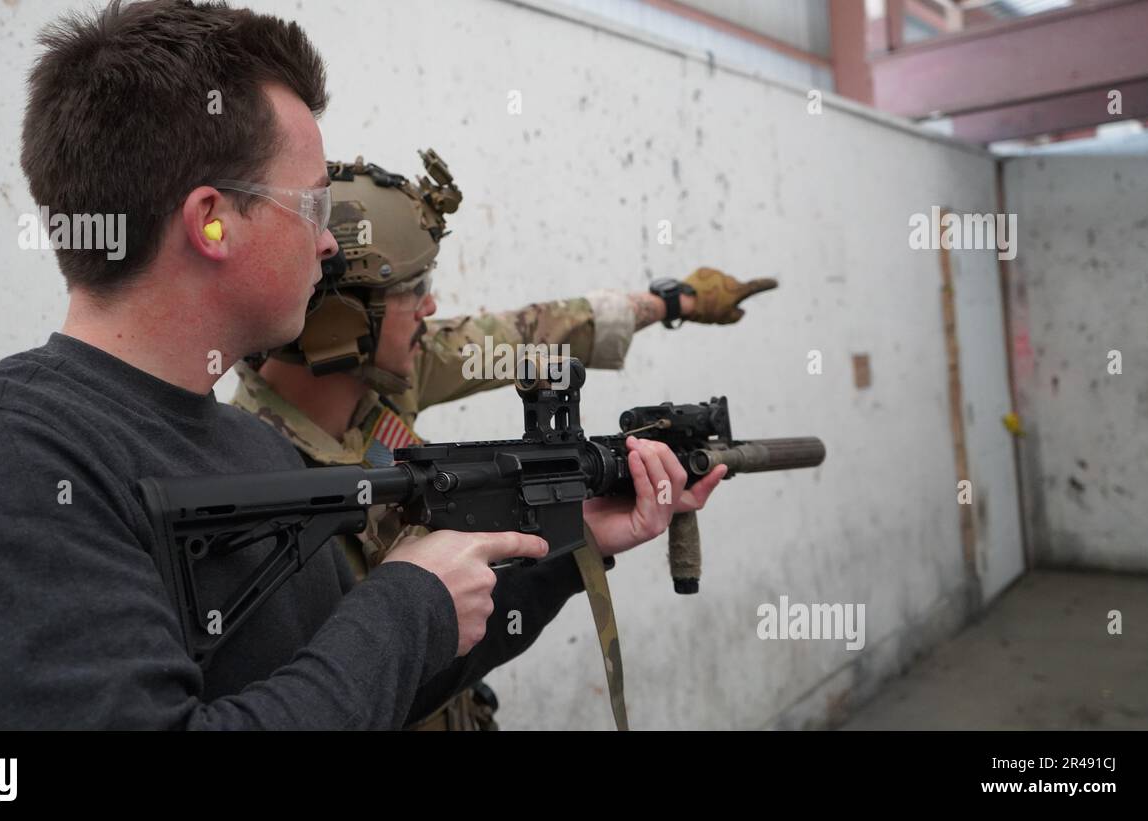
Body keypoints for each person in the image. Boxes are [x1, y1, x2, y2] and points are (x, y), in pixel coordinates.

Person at [0, 0, 718, 730]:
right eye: (310, 203)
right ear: (212, 222)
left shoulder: (250, 450)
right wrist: (407, 603)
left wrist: (570, 549)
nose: (323, 239)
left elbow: (363, 691)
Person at [232, 152, 774, 728]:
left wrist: (672, 302)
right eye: (416, 287)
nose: (432, 307)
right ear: (343, 315)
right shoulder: (255, 485)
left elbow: (530, 332)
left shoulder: (383, 371)